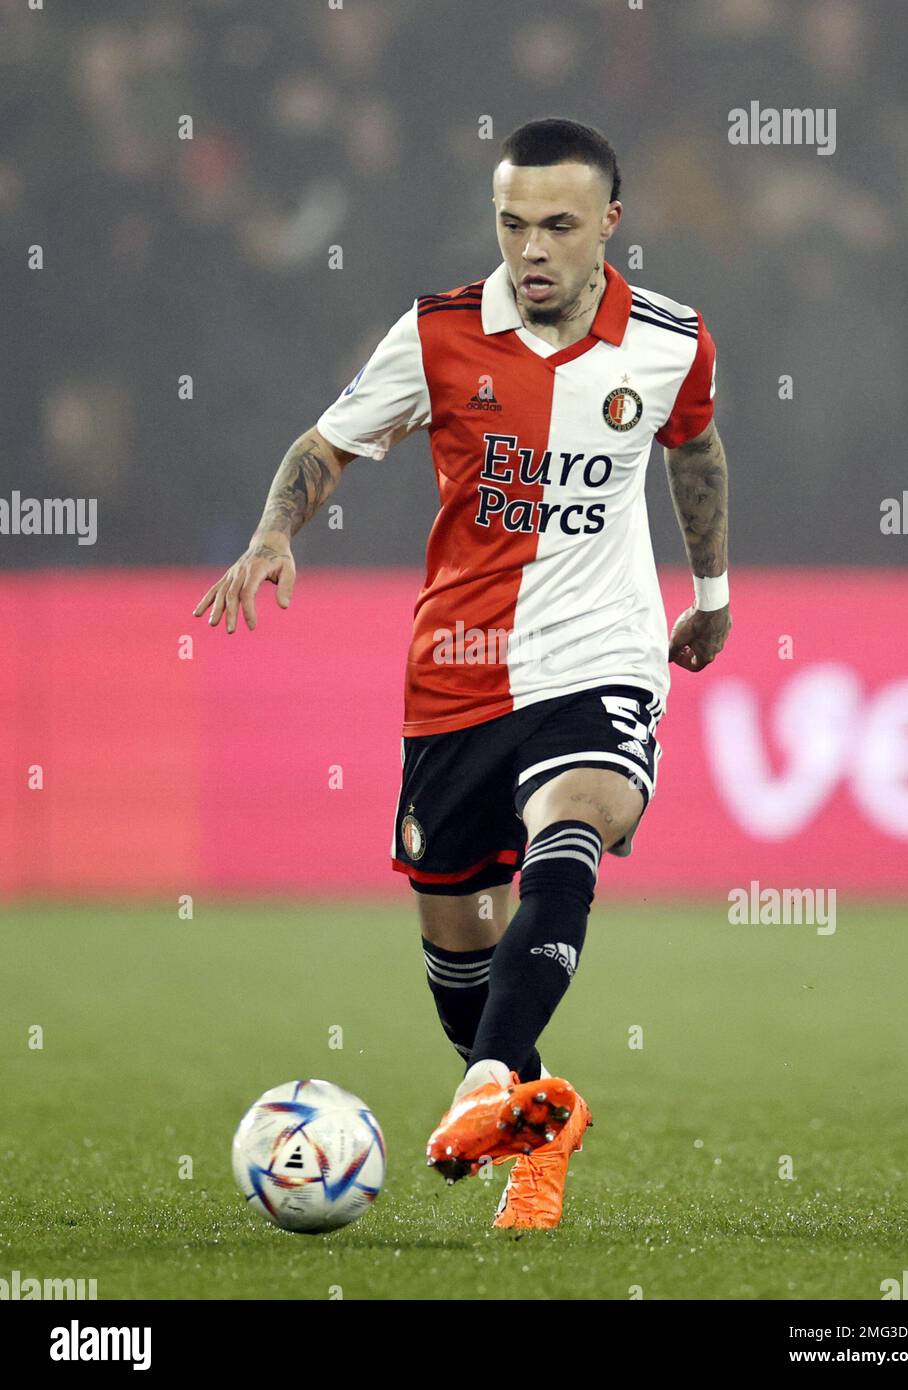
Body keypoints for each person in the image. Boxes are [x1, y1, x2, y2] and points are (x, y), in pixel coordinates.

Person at [194, 117, 731, 1229]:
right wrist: (270, 535)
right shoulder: (439, 332)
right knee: (457, 957)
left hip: (600, 651)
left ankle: (488, 1088)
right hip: (456, 670)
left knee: (573, 816)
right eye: (511, 223)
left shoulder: (671, 339)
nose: (530, 248)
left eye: (557, 226)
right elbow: (327, 443)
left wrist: (712, 595)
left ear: (608, 228)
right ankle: (535, 1108)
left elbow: (694, 445)